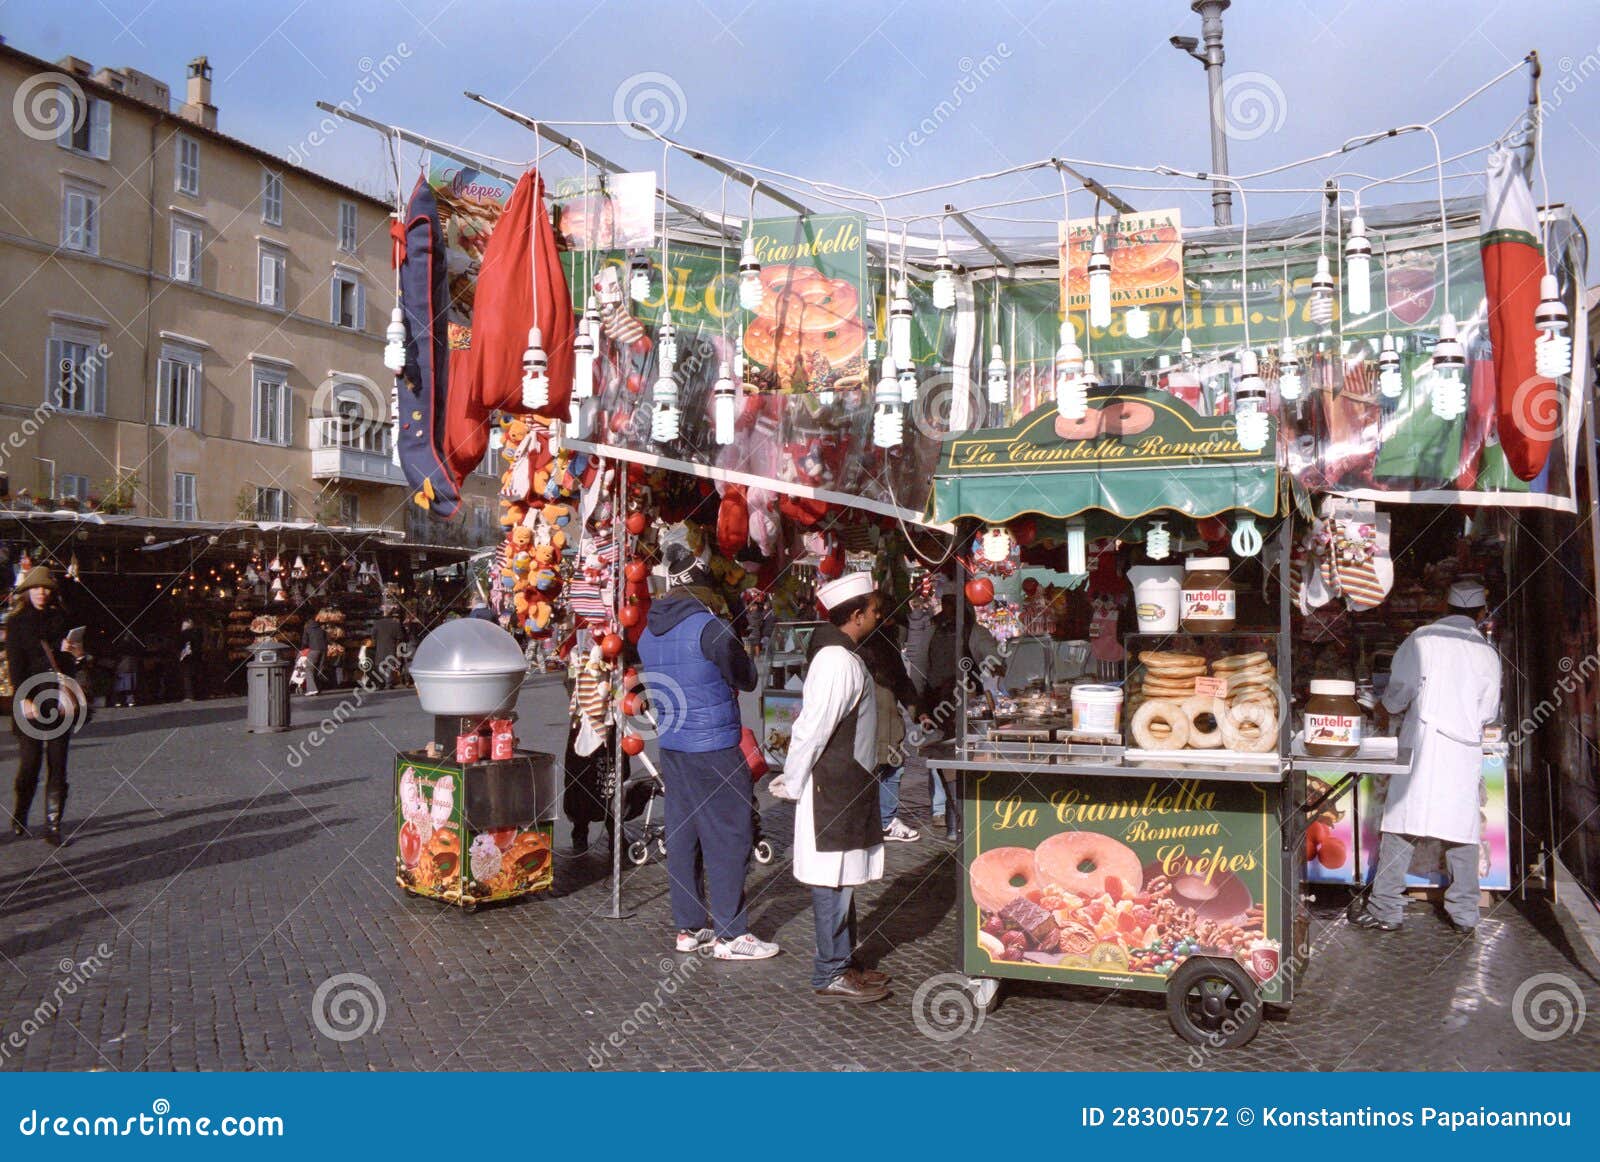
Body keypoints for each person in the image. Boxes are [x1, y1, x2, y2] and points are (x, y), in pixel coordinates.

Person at [636, 542, 775, 961]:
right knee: (729, 835)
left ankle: (689, 927)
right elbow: (746, 678)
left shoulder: (647, 632)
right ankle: (732, 934)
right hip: (714, 745)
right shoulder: (710, 628)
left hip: (674, 745)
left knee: (683, 833)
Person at [1350, 580, 1501, 935]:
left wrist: (1385, 710)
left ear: (1443, 608)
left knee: (1403, 822)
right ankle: (1464, 914)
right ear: (1480, 614)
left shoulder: (1422, 639)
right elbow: (1488, 712)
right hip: (1463, 748)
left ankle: (1386, 908)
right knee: (1460, 830)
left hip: (1423, 741)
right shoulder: (1487, 653)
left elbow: (1400, 689)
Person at [771, 573, 891, 1003]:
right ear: (856, 616)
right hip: (832, 786)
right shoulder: (836, 662)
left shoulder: (843, 656)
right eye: (874, 610)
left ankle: (844, 960)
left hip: (847, 781)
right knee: (832, 879)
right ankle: (830, 970)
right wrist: (793, 779)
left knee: (842, 878)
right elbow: (812, 729)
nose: (879, 615)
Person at [7, 567, 83, 845]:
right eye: (36, 588)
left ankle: (53, 826)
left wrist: (76, 653)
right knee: (30, 763)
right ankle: (20, 814)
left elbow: (72, 665)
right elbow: (16, 667)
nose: (41, 592)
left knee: (58, 764)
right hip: (29, 696)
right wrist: (23, 699)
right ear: (27, 591)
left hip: (57, 699)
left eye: (46, 588)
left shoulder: (62, 619)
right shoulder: (17, 623)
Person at [857, 620, 921, 843]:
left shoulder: (880, 644)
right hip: (877, 722)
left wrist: (917, 711)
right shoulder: (876, 646)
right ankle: (883, 821)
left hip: (886, 721)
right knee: (887, 769)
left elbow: (902, 682)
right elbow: (902, 681)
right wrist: (916, 710)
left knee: (889, 769)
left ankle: (882, 820)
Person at [372, 607, 403, 689]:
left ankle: (382, 682)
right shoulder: (395, 624)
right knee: (389, 665)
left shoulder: (377, 623)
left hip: (380, 646)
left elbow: (373, 636)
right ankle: (388, 682)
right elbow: (400, 637)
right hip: (391, 646)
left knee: (380, 665)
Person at [177, 617, 202, 701]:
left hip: (186, 657)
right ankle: (195, 694)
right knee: (193, 675)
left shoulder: (184, 634)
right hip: (194, 657)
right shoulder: (196, 634)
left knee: (186, 677)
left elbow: (179, 645)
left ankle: (188, 695)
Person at [301, 617, 327, 696]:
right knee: (319, 669)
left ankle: (312, 689)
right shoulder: (322, 630)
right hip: (324, 650)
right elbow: (326, 640)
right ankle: (318, 688)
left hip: (314, 650)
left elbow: (304, 641)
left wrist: (302, 649)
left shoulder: (307, 629)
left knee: (308, 668)